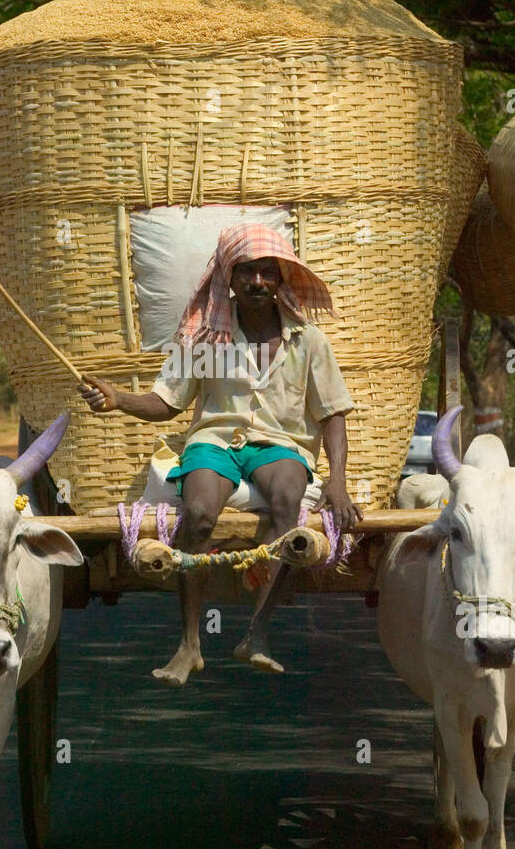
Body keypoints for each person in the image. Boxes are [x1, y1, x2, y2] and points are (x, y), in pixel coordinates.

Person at [78, 222, 362, 684]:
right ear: (227, 277)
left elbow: (332, 414)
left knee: (288, 499)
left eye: (267, 272)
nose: (256, 282)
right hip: (213, 442)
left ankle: (258, 632)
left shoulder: (308, 342)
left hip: (279, 445)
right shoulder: (204, 337)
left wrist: (337, 482)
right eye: (245, 272)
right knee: (200, 513)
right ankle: (189, 644)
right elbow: (166, 402)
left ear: (280, 279)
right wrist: (119, 400)